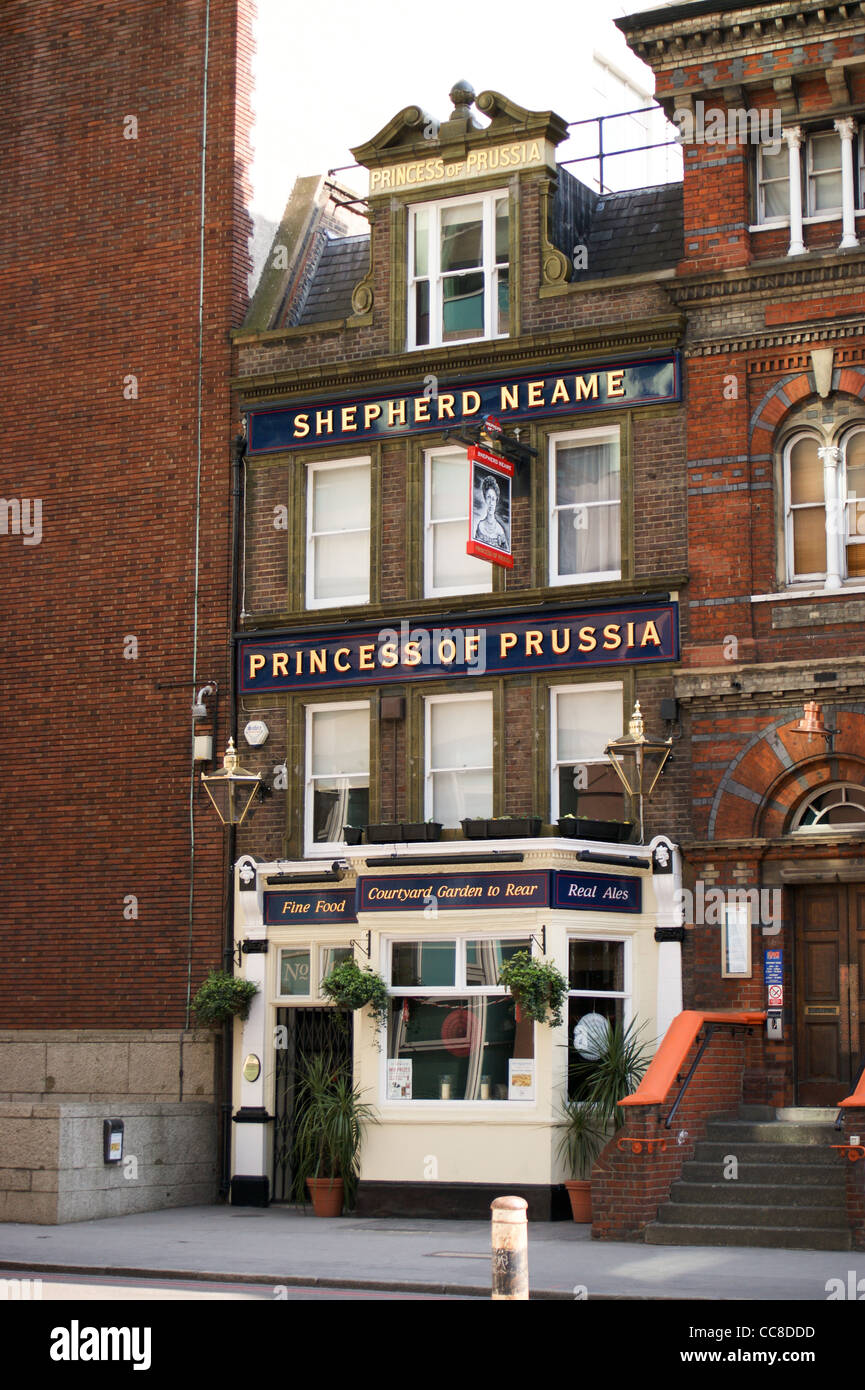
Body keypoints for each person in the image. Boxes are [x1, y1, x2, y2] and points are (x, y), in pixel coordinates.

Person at [474, 474, 508, 549]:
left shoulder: (500, 530)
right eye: (488, 497)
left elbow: (506, 551)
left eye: (493, 499)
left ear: (496, 501)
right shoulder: (480, 526)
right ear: (485, 499)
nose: (491, 503)